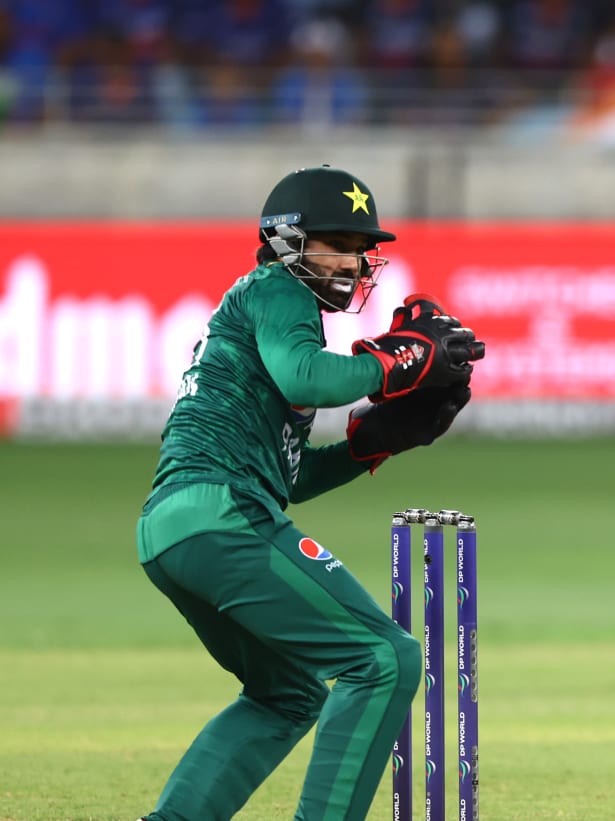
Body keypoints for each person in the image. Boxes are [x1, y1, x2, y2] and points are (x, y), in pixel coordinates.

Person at [134, 164, 485, 821]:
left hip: (176, 529)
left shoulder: (272, 313)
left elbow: (289, 477)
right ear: (287, 240)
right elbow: (307, 379)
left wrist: (375, 443)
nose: (351, 262)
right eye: (336, 244)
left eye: (359, 249)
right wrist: (394, 362)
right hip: (222, 515)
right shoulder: (278, 287)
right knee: (384, 659)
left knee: (288, 693)